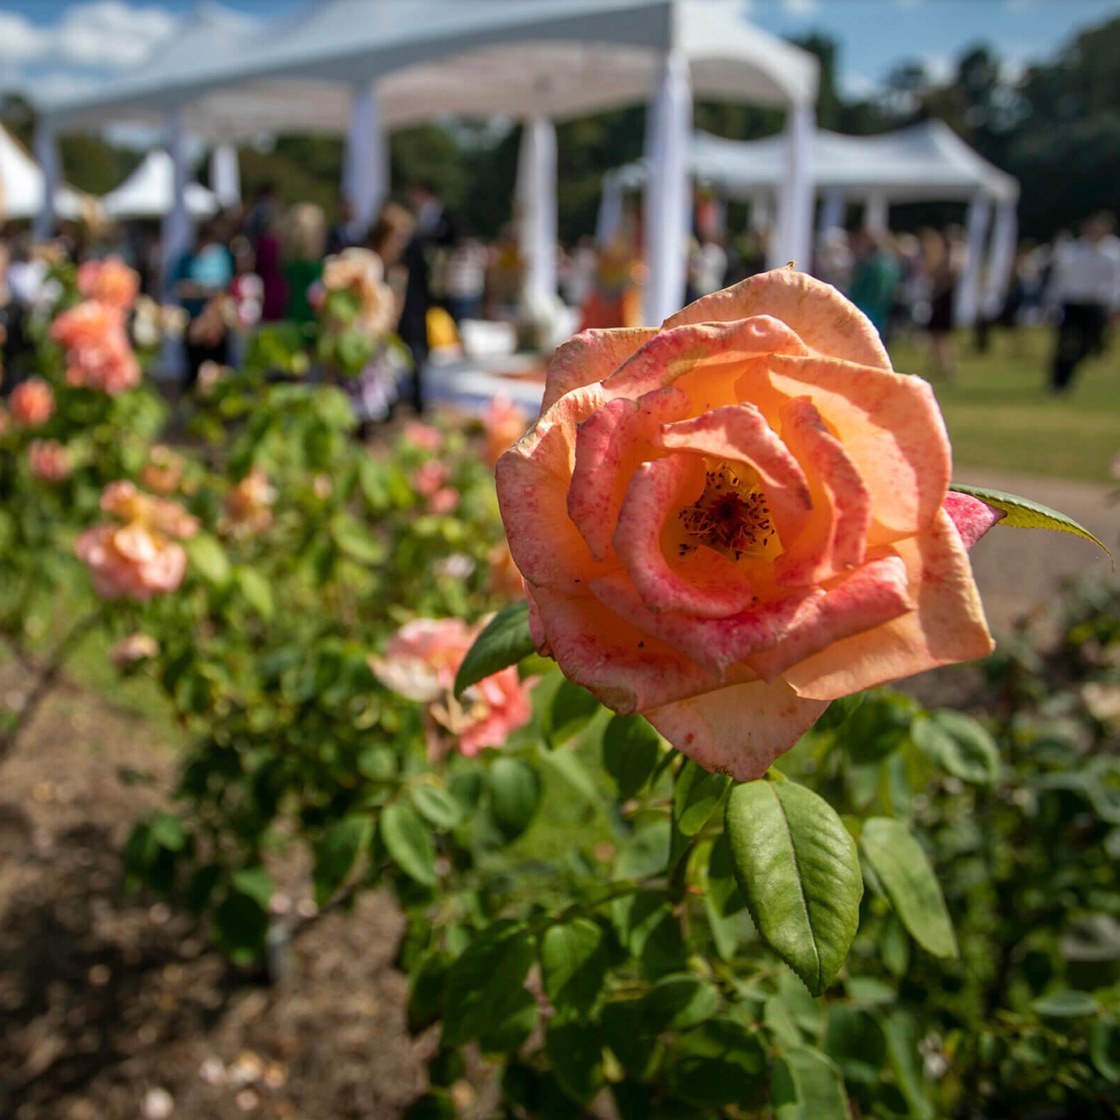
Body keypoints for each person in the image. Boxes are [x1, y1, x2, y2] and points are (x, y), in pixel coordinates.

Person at [1047, 211, 1120, 395]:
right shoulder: (1072, 250)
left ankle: (1068, 370)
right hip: (1072, 303)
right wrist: (1052, 305)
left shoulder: (1113, 252)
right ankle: (1059, 382)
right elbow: (1059, 280)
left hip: (1096, 305)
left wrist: (1114, 307)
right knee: (1065, 344)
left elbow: (1115, 282)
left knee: (1090, 345)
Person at [172, 221, 234, 390]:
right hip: (192, 320)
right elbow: (177, 287)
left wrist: (198, 289)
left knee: (219, 368)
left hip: (217, 321)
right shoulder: (185, 258)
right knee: (193, 369)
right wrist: (203, 290)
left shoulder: (221, 256)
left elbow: (225, 287)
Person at [920, 227, 963, 380]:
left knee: (941, 335)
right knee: (938, 335)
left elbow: (944, 277)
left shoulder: (952, 258)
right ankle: (941, 364)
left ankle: (946, 366)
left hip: (943, 300)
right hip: (943, 300)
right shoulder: (950, 258)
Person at [847, 227, 901, 342]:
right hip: (881, 307)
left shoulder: (872, 264)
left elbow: (859, 288)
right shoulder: (890, 264)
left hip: (867, 306)